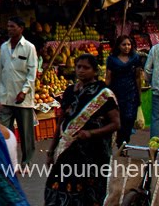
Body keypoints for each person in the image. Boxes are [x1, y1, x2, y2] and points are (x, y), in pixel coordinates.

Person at [44, 54, 120, 206]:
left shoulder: (103, 94)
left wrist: (90, 133)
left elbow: (115, 124)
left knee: (89, 193)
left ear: (95, 71)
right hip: (68, 150)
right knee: (59, 188)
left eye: (86, 68)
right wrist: (51, 151)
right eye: (78, 67)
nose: (81, 71)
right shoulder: (70, 91)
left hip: (93, 154)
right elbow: (61, 122)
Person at [0, 16, 39, 166]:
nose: (9, 29)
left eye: (12, 26)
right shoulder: (4, 47)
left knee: (26, 133)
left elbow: (32, 72)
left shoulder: (29, 47)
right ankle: (7, 160)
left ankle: (26, 161)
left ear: (21, 28)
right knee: (5, 131)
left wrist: (24, 91)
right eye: (8, 26)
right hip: (6, 97)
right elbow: (0, 72)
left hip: (23, 98)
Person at [105, 34, 144, 146]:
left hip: (131, 93)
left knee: (129, 118)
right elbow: (108, 77)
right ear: (118, 46)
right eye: (124, 45)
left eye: (129, 44)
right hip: (116, 92)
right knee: (119, 118)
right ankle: (122, 143)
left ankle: (124, 140)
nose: (127, 47)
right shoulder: (111, 59)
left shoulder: (135, 58)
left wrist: (139, 94)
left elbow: (138, 77)